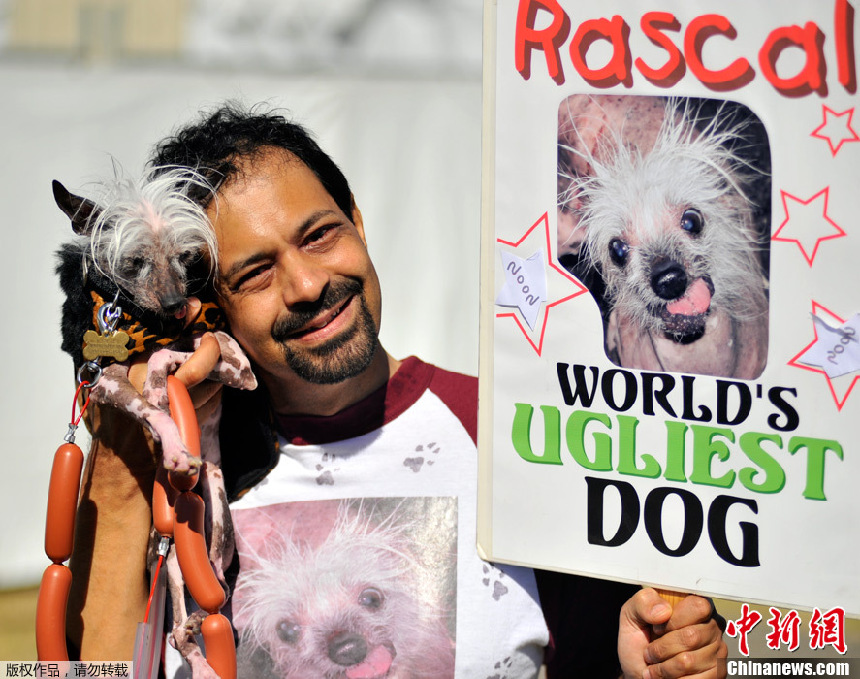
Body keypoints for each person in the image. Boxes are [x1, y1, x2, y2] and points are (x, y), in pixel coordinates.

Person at [66, 103, 728, 678]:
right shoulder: (172, 479)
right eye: (255, 272)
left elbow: (597, 662)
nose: (304, 284)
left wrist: (661, 664)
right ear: (210, 306)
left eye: (319, 234)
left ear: (357, 219)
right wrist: (126, 473)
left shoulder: (511, 434)